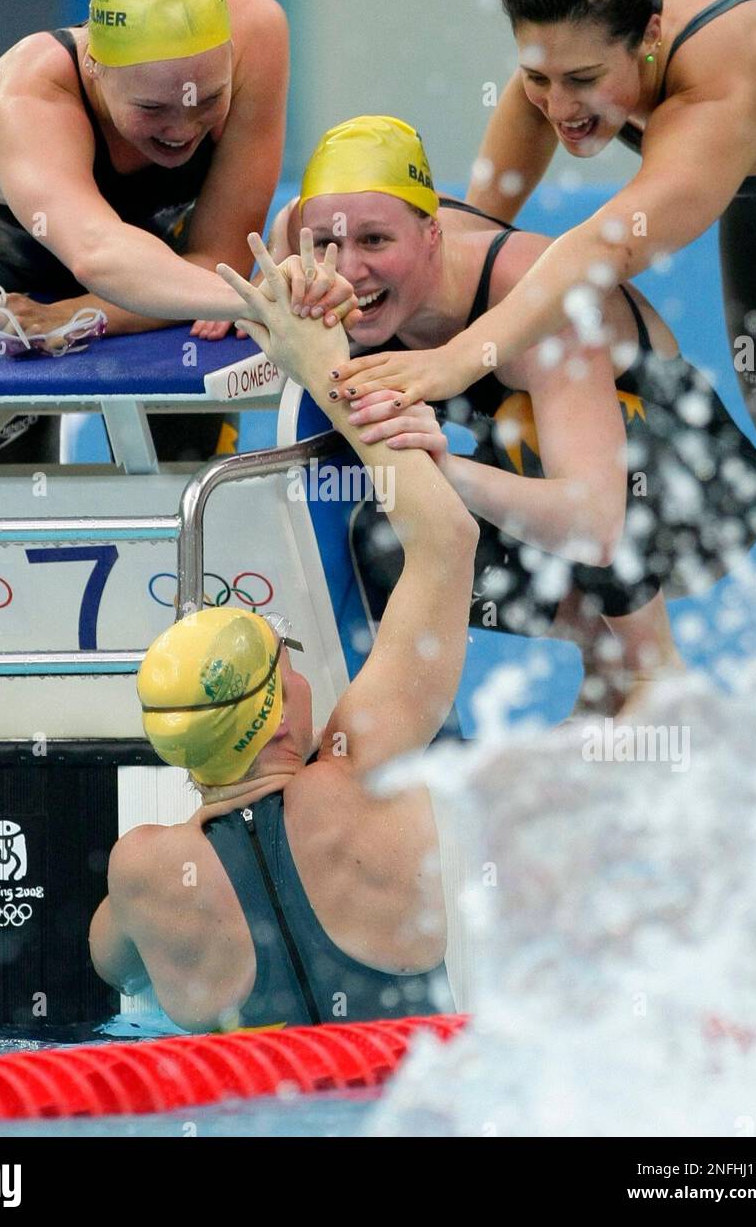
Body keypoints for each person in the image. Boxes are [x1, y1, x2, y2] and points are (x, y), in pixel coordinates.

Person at [327, 0, 756, 681]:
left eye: (583, 82)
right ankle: (622, 672)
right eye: (537, 80)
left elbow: (594, 251)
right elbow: (483, 230)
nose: (559, 107)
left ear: (651, 40)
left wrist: (451, 362)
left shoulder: (721, 93)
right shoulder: (587, 13)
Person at [89, 232, 478, 1029]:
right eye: (286, 664)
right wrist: (326, 367)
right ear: (274, 717)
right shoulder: (358, 782)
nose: (304, 678)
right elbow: (446, 544)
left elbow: (113, 966)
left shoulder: (144, 871)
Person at [271, 115, 756, 713]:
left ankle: (654, 675)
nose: (348, 269)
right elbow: (274, 281)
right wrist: (275, 292)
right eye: (328, 243)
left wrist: (446, 473)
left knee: (523, 436)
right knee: (385, 540)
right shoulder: (311, 238)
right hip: (559, 482)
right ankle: (603, 658)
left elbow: (596, 526)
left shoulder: (537, 306)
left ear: (432, 235)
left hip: (701, 497)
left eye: (376, 242)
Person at [0, 0, 290, 462]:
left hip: (158, 277)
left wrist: (80, 315)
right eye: (153, 109)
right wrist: (265, 302)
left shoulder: (260, 33)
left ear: (233, 55)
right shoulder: (28, 95)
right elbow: (101, 255)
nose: (182, 130)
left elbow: (215, 260)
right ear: (94, 64)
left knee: (186, 482)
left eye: (208, 99)